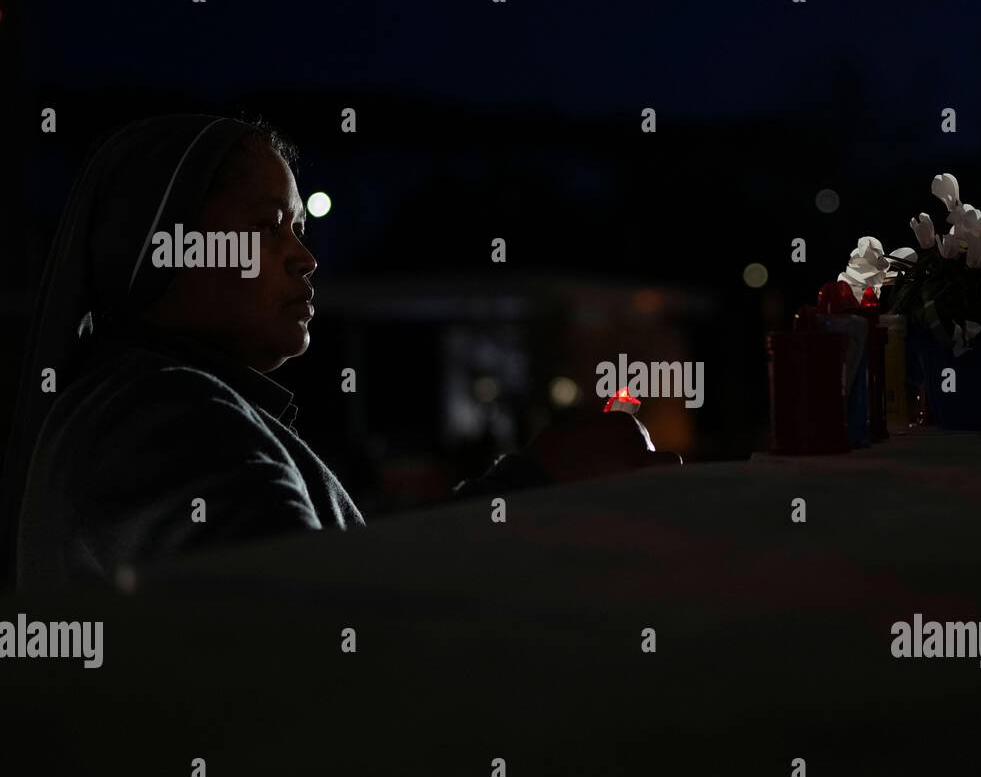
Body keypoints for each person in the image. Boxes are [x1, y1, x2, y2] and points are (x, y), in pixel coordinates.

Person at [0, 114, 678, 594]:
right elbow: (322, 615)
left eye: (300, 227)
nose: (306, 257)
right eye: (268, 227)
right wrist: (536, 487)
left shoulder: (152, 404)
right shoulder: (157, 414)